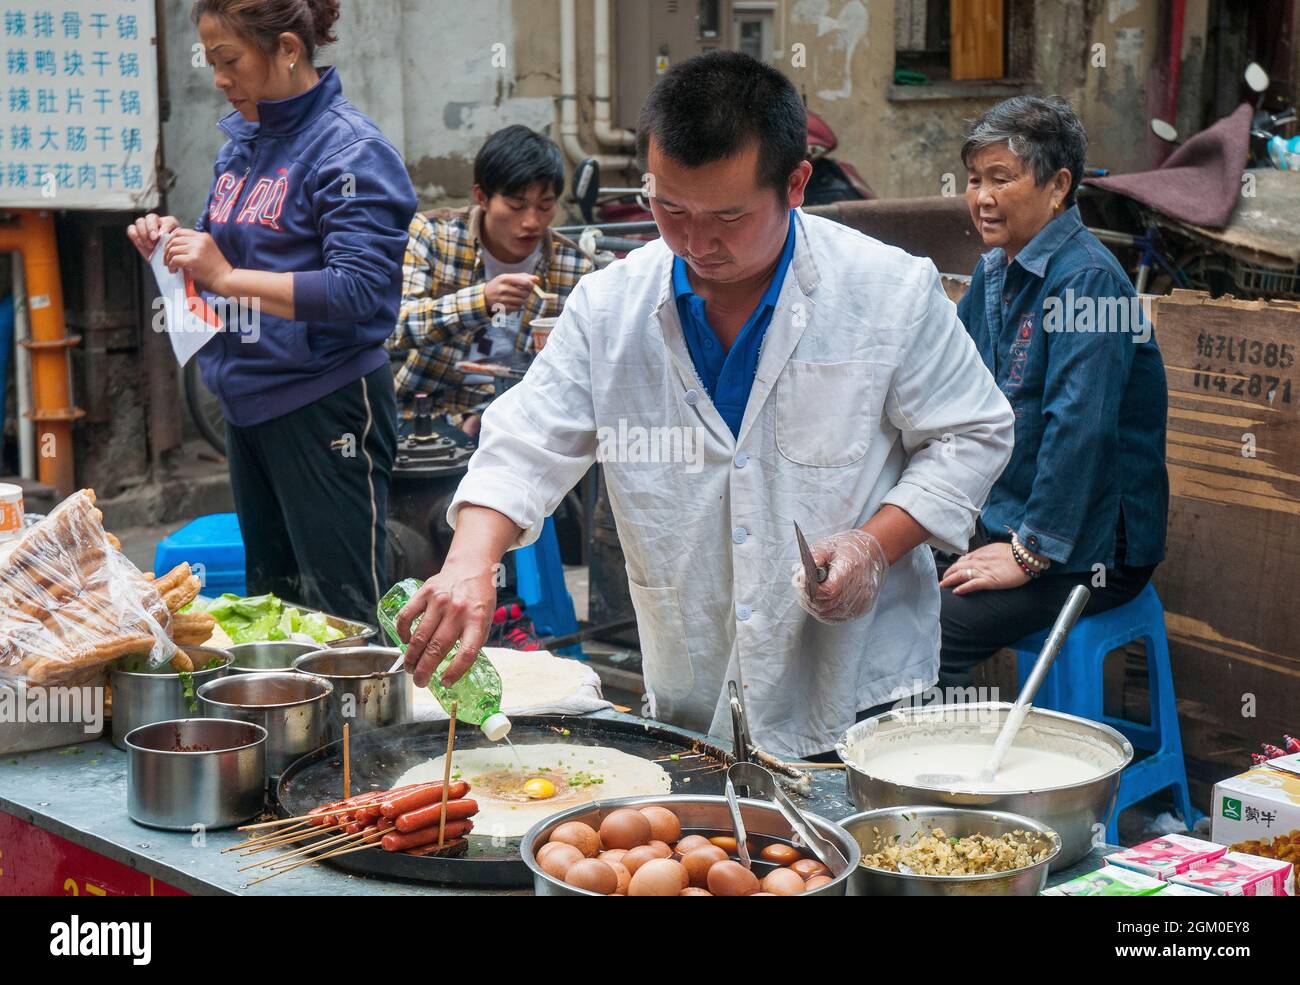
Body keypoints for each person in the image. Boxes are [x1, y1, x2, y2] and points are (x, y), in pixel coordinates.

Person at [393, 51, 1015, 761]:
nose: (694, 241)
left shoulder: (887, 291)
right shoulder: (610, 309)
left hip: (861, 691)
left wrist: (877, 543)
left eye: (727, 215)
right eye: (669, 208)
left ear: (797, 184)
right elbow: (525, 441)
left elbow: (972, 432)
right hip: (690, 686)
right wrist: (471, 560)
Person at [127, 0, 417, 623]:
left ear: (287, 48)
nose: (219, 79)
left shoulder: (351, 151)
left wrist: (227, 274)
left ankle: (361, 726)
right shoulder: (242, 144)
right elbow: (218, 252)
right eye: (211, 63)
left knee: (342, 616)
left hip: (325, 401)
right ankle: (290, 724)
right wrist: (175, 243)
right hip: (248, 404)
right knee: (273, 608)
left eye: (228, 60)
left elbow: (360, 290)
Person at [938, 96, 1168, 688]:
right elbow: (947, 389)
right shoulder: (995, 270)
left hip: (1089, 553)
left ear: (1058, 185)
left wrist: (1028, 552)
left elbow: (1082, 427)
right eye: (973, 179)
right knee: (869, 598)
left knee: (918, 633)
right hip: (1005, 520)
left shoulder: (1089, 280)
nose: (981, 197)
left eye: (1000, 178)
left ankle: (941, 776)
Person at [387, 125, 593, 438]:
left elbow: (581, 370)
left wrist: (488, 416)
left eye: (545, 205)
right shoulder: (432, 235)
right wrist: (479, 302)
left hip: (522, 420)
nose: (532, 222)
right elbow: (393, 327)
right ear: (482, 196)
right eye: (516, 205)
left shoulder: (574, 266)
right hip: (426, 411)